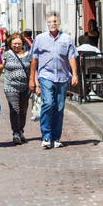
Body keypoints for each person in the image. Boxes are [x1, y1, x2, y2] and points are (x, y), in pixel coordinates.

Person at [30, 13, 79, 149]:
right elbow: (34, 60)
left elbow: (71, 57)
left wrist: (74, 74)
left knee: (59, 107)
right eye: (50, 21)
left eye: (55, 21)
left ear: (59, 23)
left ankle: (56, 138)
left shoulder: (67, 39)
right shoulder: (40, 39)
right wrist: (32, 79)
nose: (53, 23)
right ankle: (46, 136)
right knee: (49, 103)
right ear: (47, 23)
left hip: (62, 77)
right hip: (46, 76)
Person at [1, 32, 34, 144]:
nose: (16, 46)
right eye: (14, 43)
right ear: (10, 44)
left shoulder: (29, 55)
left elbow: (33, 71)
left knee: (23, 111)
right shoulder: (6, 54)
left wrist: (35, 83)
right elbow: (1, 67)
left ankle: (20, 131)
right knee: (15, 109)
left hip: (25, 87)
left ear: (23, 44)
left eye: (19, 43)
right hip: (10, 86)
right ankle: (15, 133)